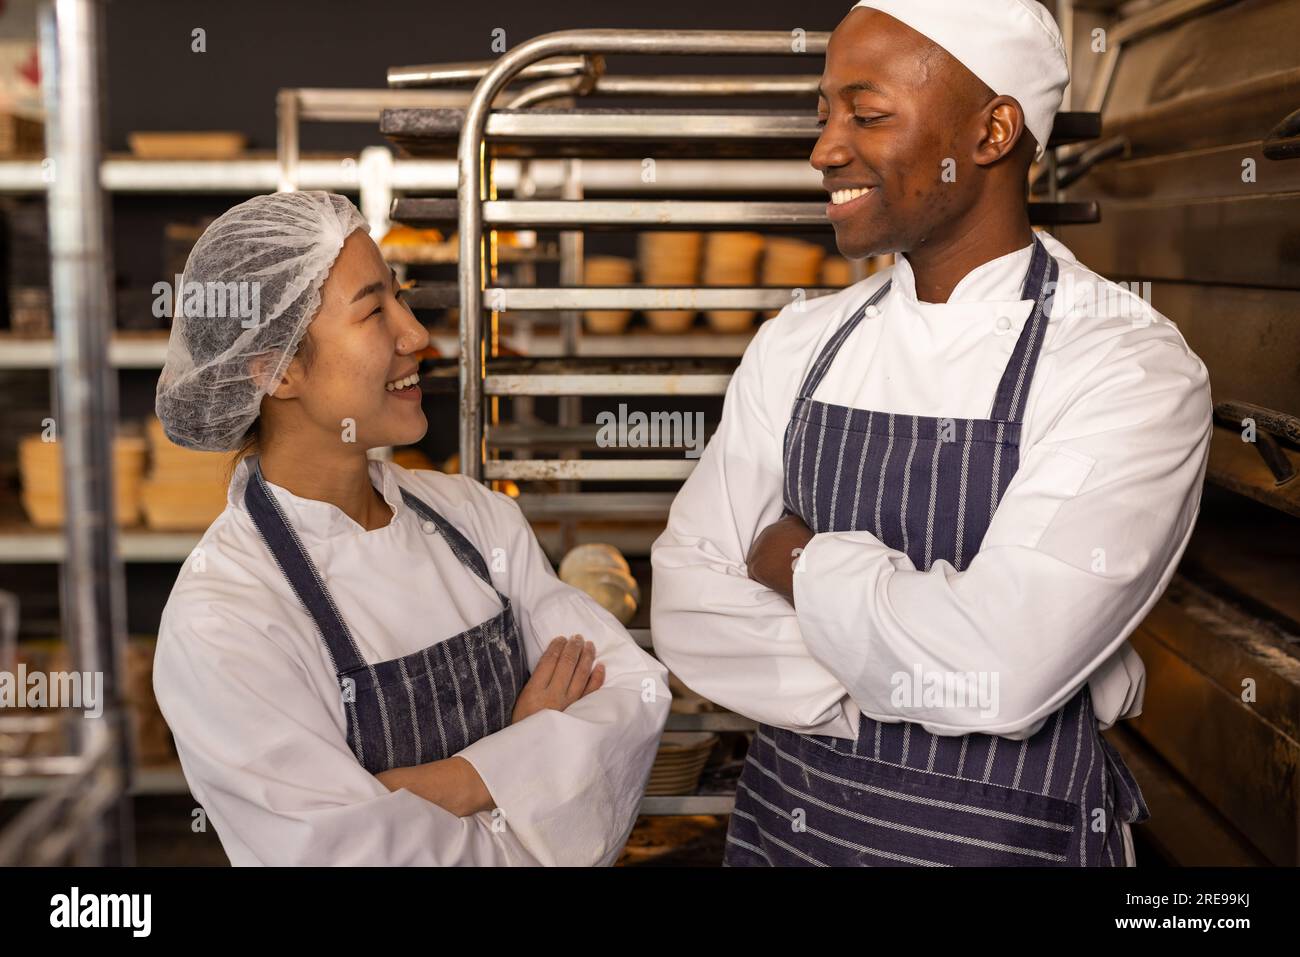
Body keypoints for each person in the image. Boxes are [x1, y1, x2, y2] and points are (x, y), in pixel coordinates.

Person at [651, 0, 1212, 866]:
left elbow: (1004, 660)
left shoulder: (1125, 365)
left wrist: (793, 563)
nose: (824, 148)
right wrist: (933, 687)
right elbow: (690, 604)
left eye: (866, 114)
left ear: (991, 133)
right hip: (785, 836)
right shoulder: (799, 343)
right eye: (824, 114)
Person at [152, 190, 669, 866]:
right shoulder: (225, 619)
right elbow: (351, 855)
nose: (417, 335)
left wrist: (428, 786)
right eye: (373, 310)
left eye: (400, 297)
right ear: (277, 370)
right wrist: (524, 760)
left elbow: (632, 696)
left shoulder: (476, 518)